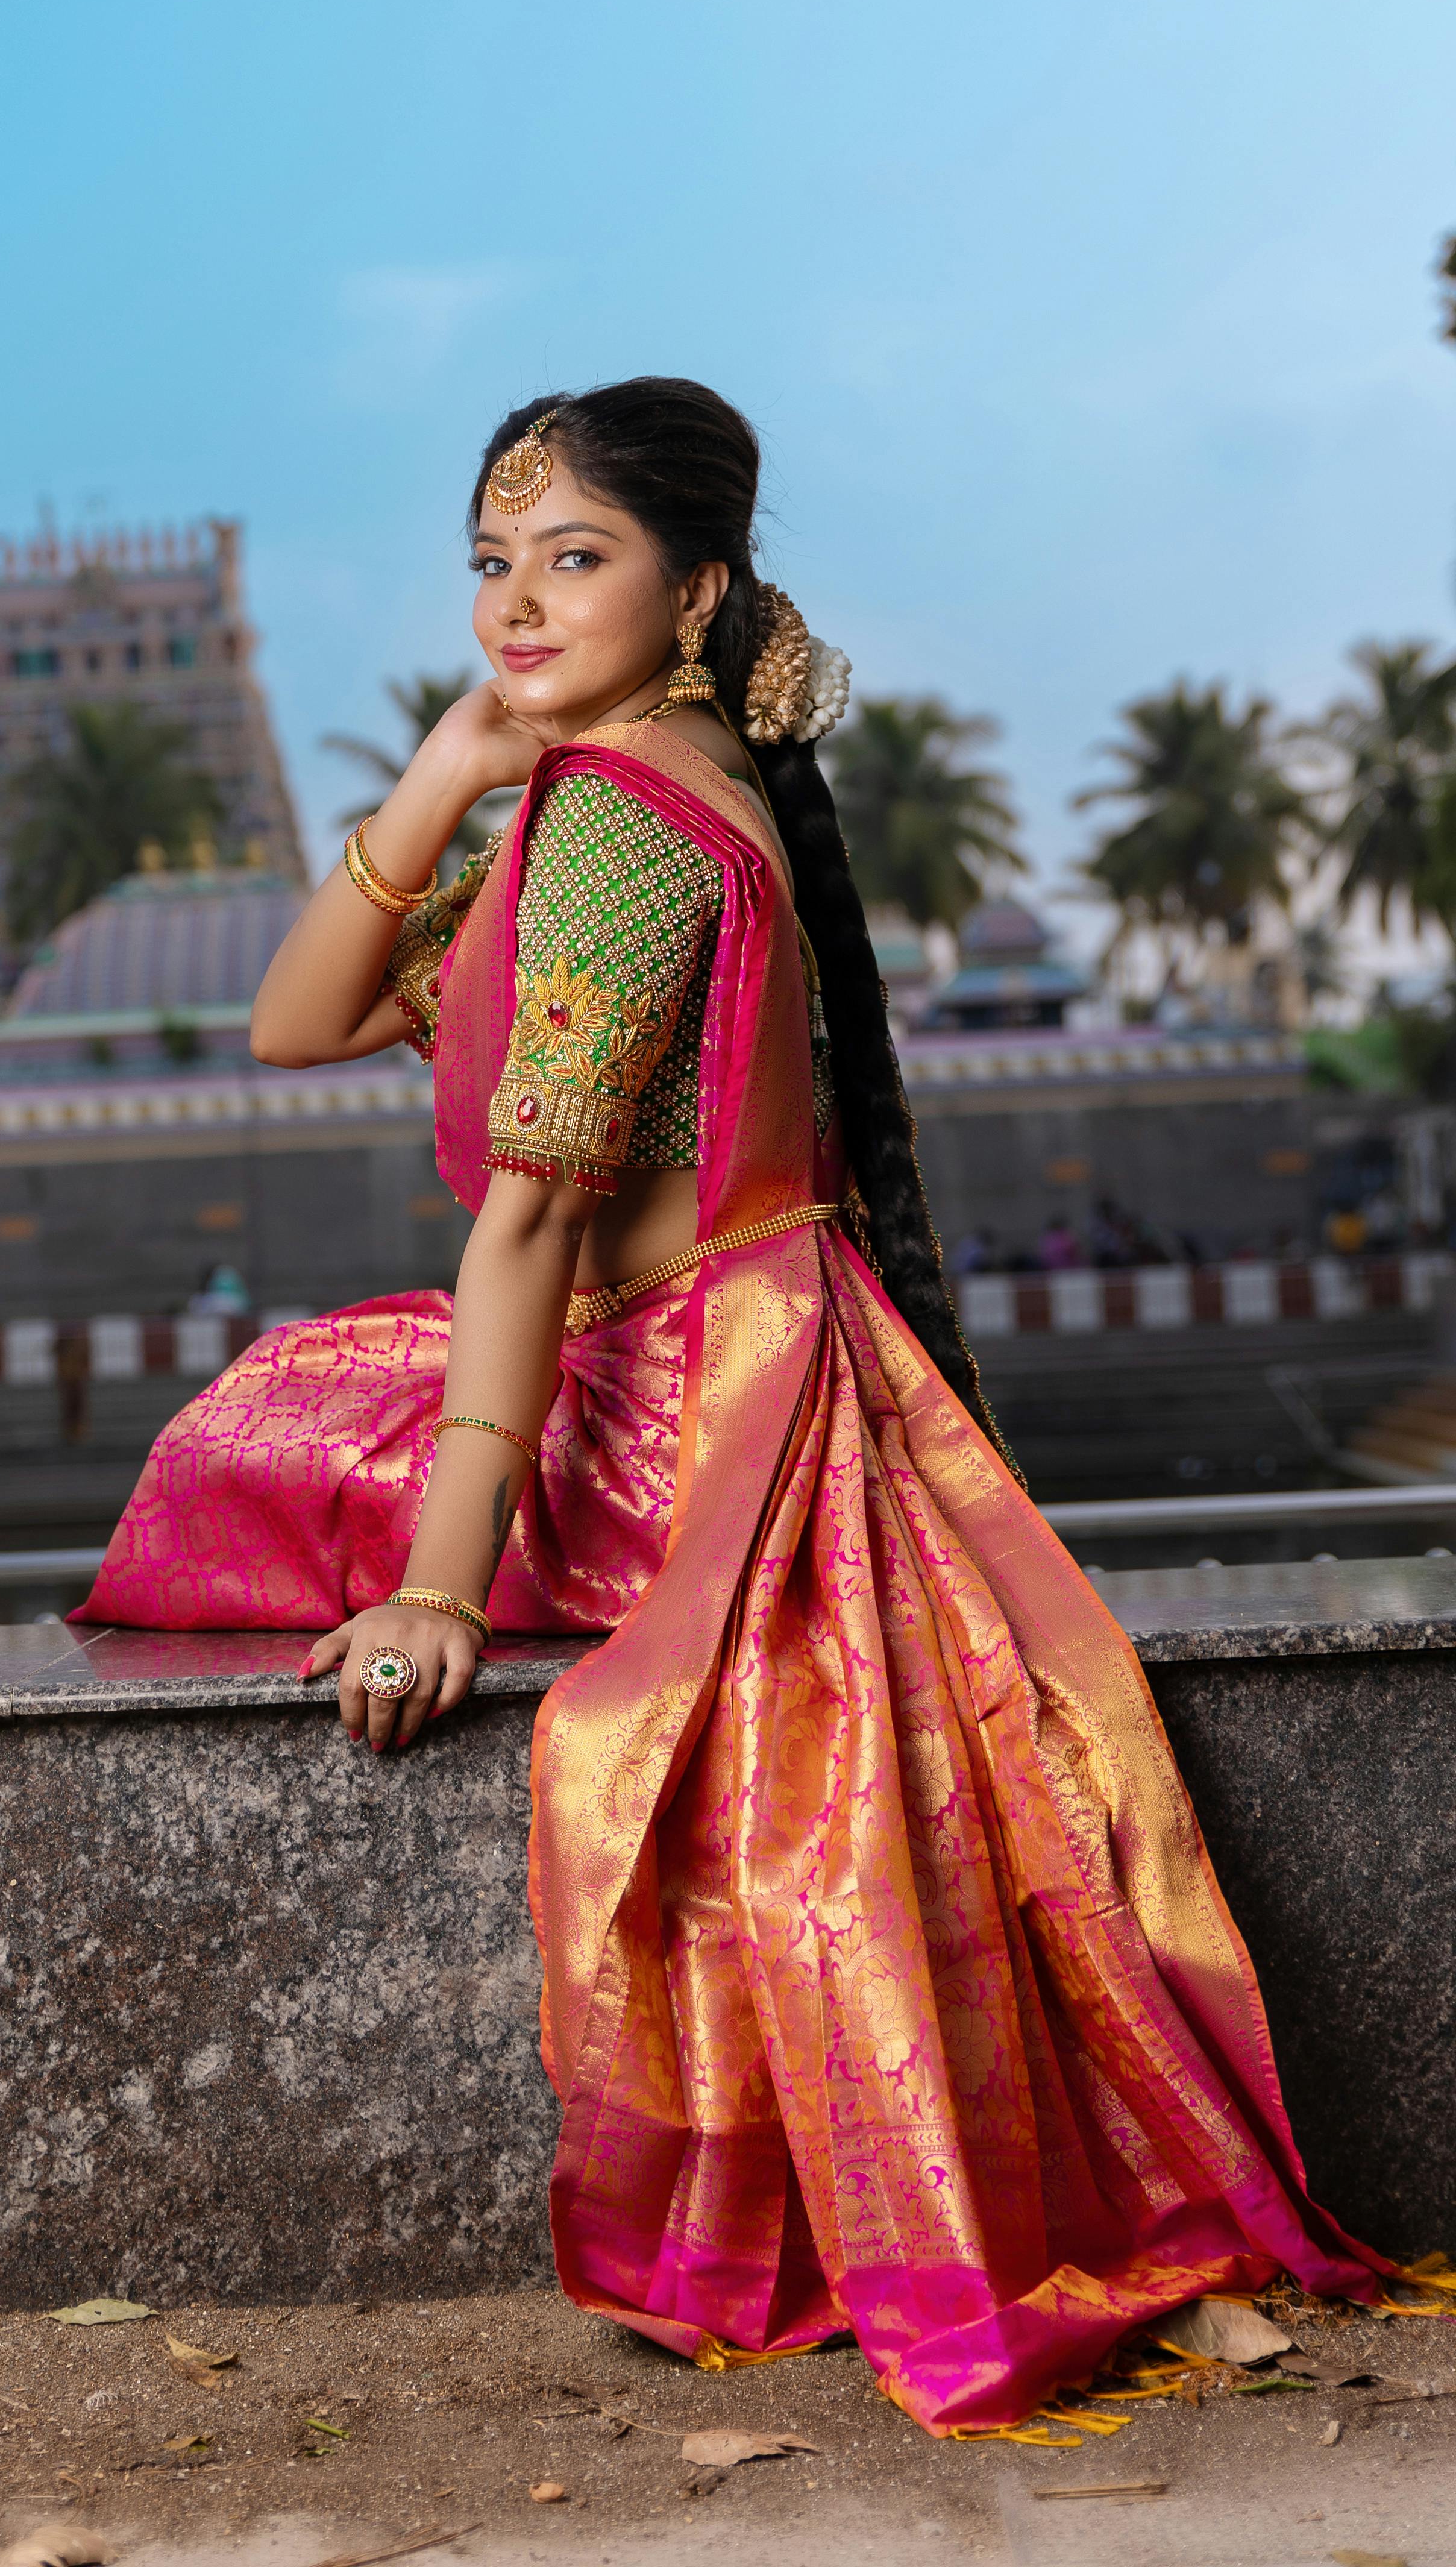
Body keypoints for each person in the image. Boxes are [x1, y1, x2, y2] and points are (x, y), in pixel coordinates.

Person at [80, 378, 1379, 2434]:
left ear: (694, 588)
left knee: (277, 1442)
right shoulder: (628, 783)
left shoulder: (618, 830)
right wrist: (452, 759)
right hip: (756, 1344)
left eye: (572, 558)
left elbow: (524, 1231)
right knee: (300, 1409)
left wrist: (442, 1585)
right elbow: (295, 1015)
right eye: (491, 565)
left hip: (691, 1410)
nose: (517, 601)